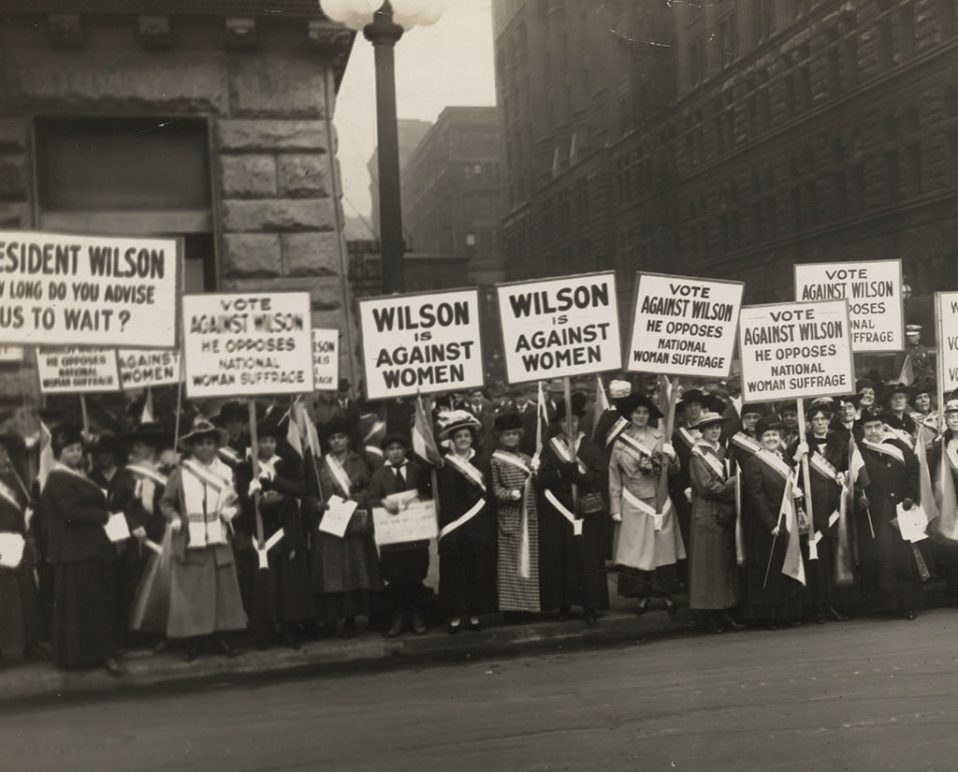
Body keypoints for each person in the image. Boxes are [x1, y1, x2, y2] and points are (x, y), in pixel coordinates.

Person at [160, 418, 247, 660]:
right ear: (192, 448)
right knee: (194, 592)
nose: (205, 448)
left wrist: (233, 511)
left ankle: (224, 638)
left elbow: (236, 502)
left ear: (216, 446)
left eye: (210, 443)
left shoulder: (227, 472)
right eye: (200, 444)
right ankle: (194, 640)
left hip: (218, 539)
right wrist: (175, 518)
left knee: (223, 592)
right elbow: (166, 503)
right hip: (192, 540)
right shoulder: (180, 473)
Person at [40, 425, 124, 674]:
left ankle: (91, 652)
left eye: (78, 449)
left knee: (89, 602)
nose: (76, 454)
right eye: (70, 450)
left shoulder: (75, 475)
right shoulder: (58, 478)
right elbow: (70, 512)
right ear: (58, 454)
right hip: (77, 549)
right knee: (85, 602)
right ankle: (89, 654)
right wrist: (103, 515)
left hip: (85, 547)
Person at [238, 420, 313, 649]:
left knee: (286, 582)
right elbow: (239, 500)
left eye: (271, 441)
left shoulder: (288, 463)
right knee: (264, 584)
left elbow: (300, 490)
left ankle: (289, 629)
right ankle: (265, 630)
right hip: (259, 530)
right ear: (256, 443)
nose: (268, 445)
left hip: (284, 528)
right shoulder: (245, 467)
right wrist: (248, 492)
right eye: (263, 441)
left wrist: (275, 482)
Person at [535, 394, 609, 625]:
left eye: (574, 421)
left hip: (585, 509)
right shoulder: (550, 447)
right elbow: (540, 479)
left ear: (579, 422)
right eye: (565, 422)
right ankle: (564, 603)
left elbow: (600, 475)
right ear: (560, 424)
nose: (570, 425)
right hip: (559, 509)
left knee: (586, 559)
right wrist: (560, 474)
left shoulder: (590, 447)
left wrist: (583, 477)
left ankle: (589, 605)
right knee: (562, 558)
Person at [607, 394, 683, 615]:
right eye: (637, 412)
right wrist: (615, 508)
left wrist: (672, 457)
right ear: (630, 416)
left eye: (644, 413)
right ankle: (642, 596)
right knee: (637, 550)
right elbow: (614, 476)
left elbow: (675, 471)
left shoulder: (660, 437)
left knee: (662, 549)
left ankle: (665, 593)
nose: (641, 416)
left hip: (659, 499)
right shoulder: (621, 442)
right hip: (633, 501)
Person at [311, 416, 382, 638]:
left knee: (355, 570)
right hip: (330, 524)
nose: (337, 442)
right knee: (333, 573)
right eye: (333, 438)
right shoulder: (320, 465)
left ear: (348, 439)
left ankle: (352, 618)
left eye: (341, 437)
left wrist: (356, 500)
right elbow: (310, 494)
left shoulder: (360, 461)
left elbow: (371, 489)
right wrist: (318, 504)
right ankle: (333, 617)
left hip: (353, 524)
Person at [855, 414, 922, 619]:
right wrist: (858, 496)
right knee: (878, 558)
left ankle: (907, 605)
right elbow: (851, 479)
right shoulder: (857, 450)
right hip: (873, 515)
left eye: (877, 427)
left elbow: (913, 472)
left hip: (900, 510)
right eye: (869, 428)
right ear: (863, 430)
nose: (874, 431)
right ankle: (882, 606)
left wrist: (910, 496)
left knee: (902, 558)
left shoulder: (898, 447)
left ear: (884, 428)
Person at [435, 410, 496, 633]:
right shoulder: (443, 465)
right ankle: (454, 616)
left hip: (478, 523)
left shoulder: (482, 460)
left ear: (472, 438)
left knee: (475, 571)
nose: (463, 440)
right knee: (454, 573)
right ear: (452, 440)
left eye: (466, 436)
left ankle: (474, 615)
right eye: (459, 436)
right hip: (454, 525)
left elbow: (489, 492)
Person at [110, 422, 169, 646]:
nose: (134, 449)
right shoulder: (127, 474)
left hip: (160, 536)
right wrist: (131, 526)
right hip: (134, 538)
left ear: (152, 449)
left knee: (157, 586)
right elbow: (115, 507)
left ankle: (155, 633)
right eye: (134, 445)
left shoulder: (167, 472)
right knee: (132, 584)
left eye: (140, 445)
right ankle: (132, 636)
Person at [367, 433, 432, 637]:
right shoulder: (379, 475)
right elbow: (370, 500)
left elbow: (428, 493)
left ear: (405, 450)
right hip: (392, 539)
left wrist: (419, 499)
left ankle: (416, 616)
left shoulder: (417, 470)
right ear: (386, 452)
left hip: (415, 536)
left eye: (398, 448)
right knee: (395, 578)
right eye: (391, 449)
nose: (395, 452)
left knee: (415, 576)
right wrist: (382, 502)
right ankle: (399, 617)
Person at [790, 404, 850, 624]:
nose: (820, 422)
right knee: (816, 558)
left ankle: (832, 603)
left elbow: (845, 467)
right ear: (809, 422)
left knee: (832, 555)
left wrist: (843, 477)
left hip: (833, 507)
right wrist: (797, 456)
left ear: (829, 420)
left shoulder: (838, 442)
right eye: (815, 419)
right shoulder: (802, 443)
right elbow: (790, 472)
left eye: (823, 419)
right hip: (812, 505)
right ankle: (816, 605)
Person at [742, 416, 803, 629]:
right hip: (766, 525)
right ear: (759, 439)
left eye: (775, 435)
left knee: (783, 567)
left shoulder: (785, 459)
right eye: (767, 435)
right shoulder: (754, 462)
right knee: (768, 570)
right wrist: (770, 524)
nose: (771, 438)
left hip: (786, 521)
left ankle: (784, 613)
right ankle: (769, 616)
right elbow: (755, 496)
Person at [687, 411, 741, 633]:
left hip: (724, 512)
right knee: (708, 566)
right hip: (707, 513)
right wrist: (733, 485)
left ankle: (724, 610)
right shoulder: (697, 454)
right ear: (702, 431)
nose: (715, 431)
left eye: (718, 426)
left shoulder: (723, 450)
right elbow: (707, 487)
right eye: (710, 427)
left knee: (723, 564)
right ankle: (710, 615)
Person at [489, 412, 541, 618]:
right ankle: (512, 609)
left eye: (514, 434)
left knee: (529, 562)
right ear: (499, 437)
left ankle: (529, 606)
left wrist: (535, 472)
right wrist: (510, 494)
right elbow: (494, 489)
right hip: (509, 516)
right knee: (511, 564)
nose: (511, 438)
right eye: (506, 435)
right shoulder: (495, 461)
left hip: (529, 515)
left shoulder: (527, 459)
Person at [0, 431, 44, 668]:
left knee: (27, 596)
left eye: (5, 452)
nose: (4, 457)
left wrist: (26, 516)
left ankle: (31, 643)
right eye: (0, 453)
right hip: (1, 546)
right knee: (5, 601)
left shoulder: (11, 482)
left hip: (18, 542)